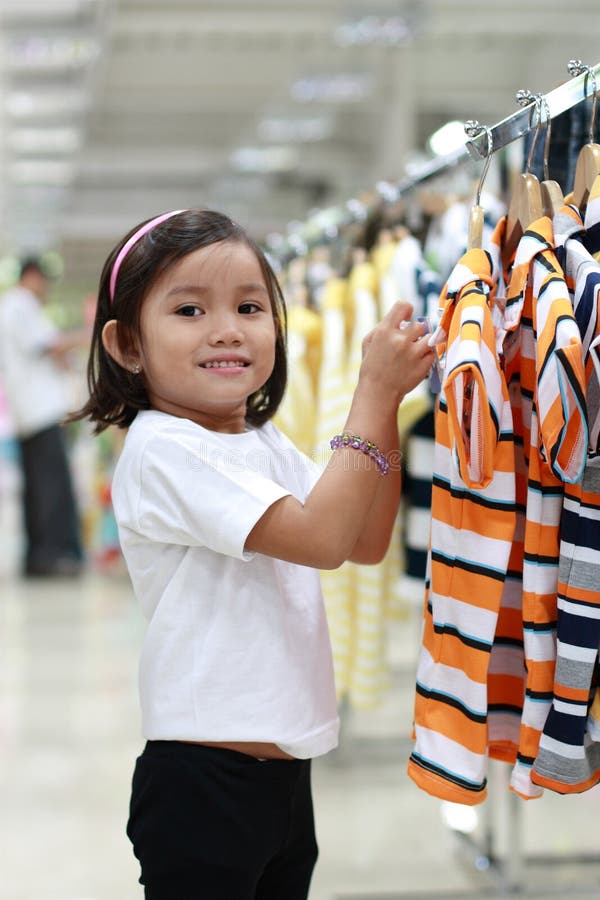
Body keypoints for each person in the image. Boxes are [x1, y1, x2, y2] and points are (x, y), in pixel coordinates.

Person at [71, 208, 434, 899]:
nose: (227, 330)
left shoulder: (260, 440)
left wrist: (386, 409)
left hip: (283, 773)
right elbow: (323, 539)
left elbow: (361, 539)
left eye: (249, 307)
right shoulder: (163, 449)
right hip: (203, 783)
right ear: (127, 345)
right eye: (189, 310)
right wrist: (372, 390)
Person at [0, 257, 86, 577]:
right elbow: (50, 346)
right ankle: (54, 557)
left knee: (38, 488)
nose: (46, 289)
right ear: (33, 276)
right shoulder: (19, 304)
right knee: (51, 487)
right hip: (40, 411)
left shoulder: (17, 308)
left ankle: (39, 557)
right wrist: (90, 333)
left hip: (30, 412)